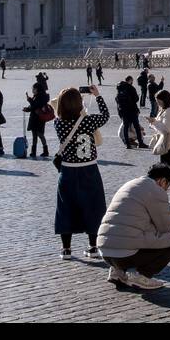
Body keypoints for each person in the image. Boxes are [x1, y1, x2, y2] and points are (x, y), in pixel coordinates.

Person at [96, 163, 170, 291]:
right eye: (167, 187)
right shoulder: (155, 190)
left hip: (105, 251)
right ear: (162, 181)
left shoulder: (130, 184)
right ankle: (141, 276)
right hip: (125, 254)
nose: (166, 190)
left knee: (132, 232)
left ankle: (118, 272)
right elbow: (167, 227)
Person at [53, 85, 111, 260]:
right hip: (89, 169)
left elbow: (56, 107)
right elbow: (106, 115)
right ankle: (93, 246)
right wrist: (97, 96)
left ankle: (66, 249)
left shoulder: (58, 123)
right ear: (80, 104)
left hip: (68, 170)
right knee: (93, 207)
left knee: (66, 208)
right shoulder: (89, 121)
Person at [115, 76, 147, 148]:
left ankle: (128, 144)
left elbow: (118, 104)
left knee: (126, 127)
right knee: (136, 127)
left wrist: (120, 114)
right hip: (132, 110)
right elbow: (136, 99)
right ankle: (141, 143)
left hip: (123, 112)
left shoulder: (118, 91)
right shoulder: (131, 88)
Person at [25, 83, 51, 158]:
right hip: (34, 118)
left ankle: (45, 151)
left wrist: (29, 100)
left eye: (34, 89)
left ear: (38, 89)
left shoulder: (42, 97)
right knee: (34, 135)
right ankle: (33, 152)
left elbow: (37, 105)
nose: (33, 90)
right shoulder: (36, 96)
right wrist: (27, 109)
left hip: (39, 119)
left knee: (40, 134)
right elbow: (32, 107)